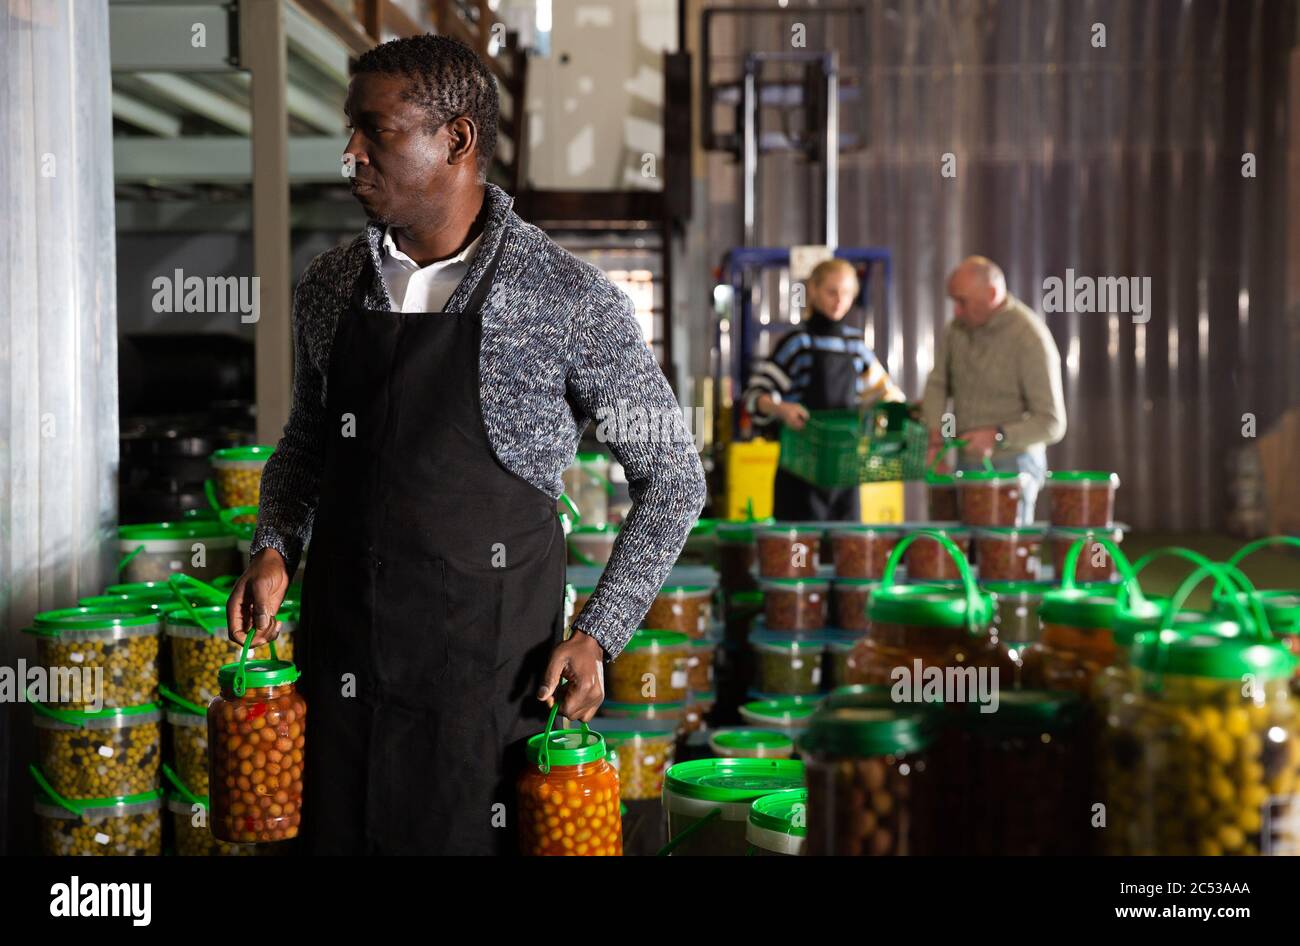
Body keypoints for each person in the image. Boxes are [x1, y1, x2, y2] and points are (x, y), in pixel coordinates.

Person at [225, 35, 705, 855]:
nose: (351, 155)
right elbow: (306, 446)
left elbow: (673, 479)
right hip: (342, 681)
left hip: (483, 695)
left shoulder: (568, 301)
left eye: (375, 132)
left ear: (456, 139)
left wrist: (600, 631)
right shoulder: (329, 287)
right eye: (352, 131)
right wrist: (275, 546)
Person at [743, 258, 906, 521]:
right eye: (832, 291)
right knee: (798, 554)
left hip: (845, 472)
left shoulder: (855, 346)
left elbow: (886, 394)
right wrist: (780, 408)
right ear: (813, 290)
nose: (839, 300)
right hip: (800, 472)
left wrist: (894, 414)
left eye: (847, 293)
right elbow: (754, 396)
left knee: (847, 550)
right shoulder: (798, 344)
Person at [921, 256, 1066, 522]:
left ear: (992, 293)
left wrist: (998, 435)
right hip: (966, 464)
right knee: (964, 554)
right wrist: (934, 441)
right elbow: (938, 383)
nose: (956, 312)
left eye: (962, 301)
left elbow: (1052, 423)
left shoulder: (1029, 338)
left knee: (1003, 555)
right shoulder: (957, 330)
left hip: (1014, 466)